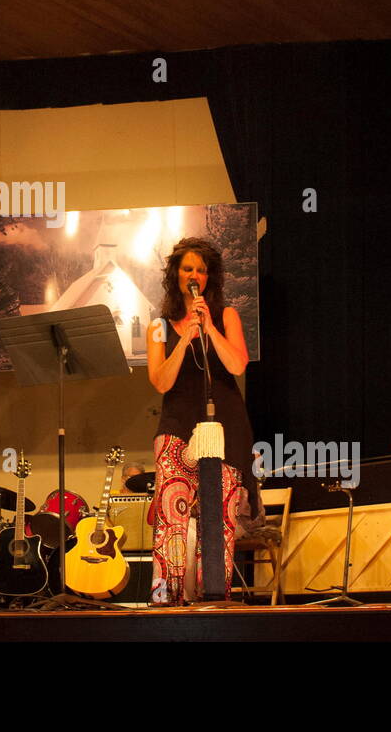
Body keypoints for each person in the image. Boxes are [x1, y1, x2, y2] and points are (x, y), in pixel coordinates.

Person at [145, 236, 255, 606]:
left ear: (210, 278)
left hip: (224, 428)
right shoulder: (158, 326)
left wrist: (207, 328)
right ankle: (165, 602)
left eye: (202, 271)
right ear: (176, 274)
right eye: (188, 268)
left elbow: (237, 365)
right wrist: (184, 338)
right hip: (177, 426)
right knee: (169, 522)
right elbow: (161, 380)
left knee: (217, 521)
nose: (195, 275)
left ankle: (214, 601)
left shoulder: (226, 316)